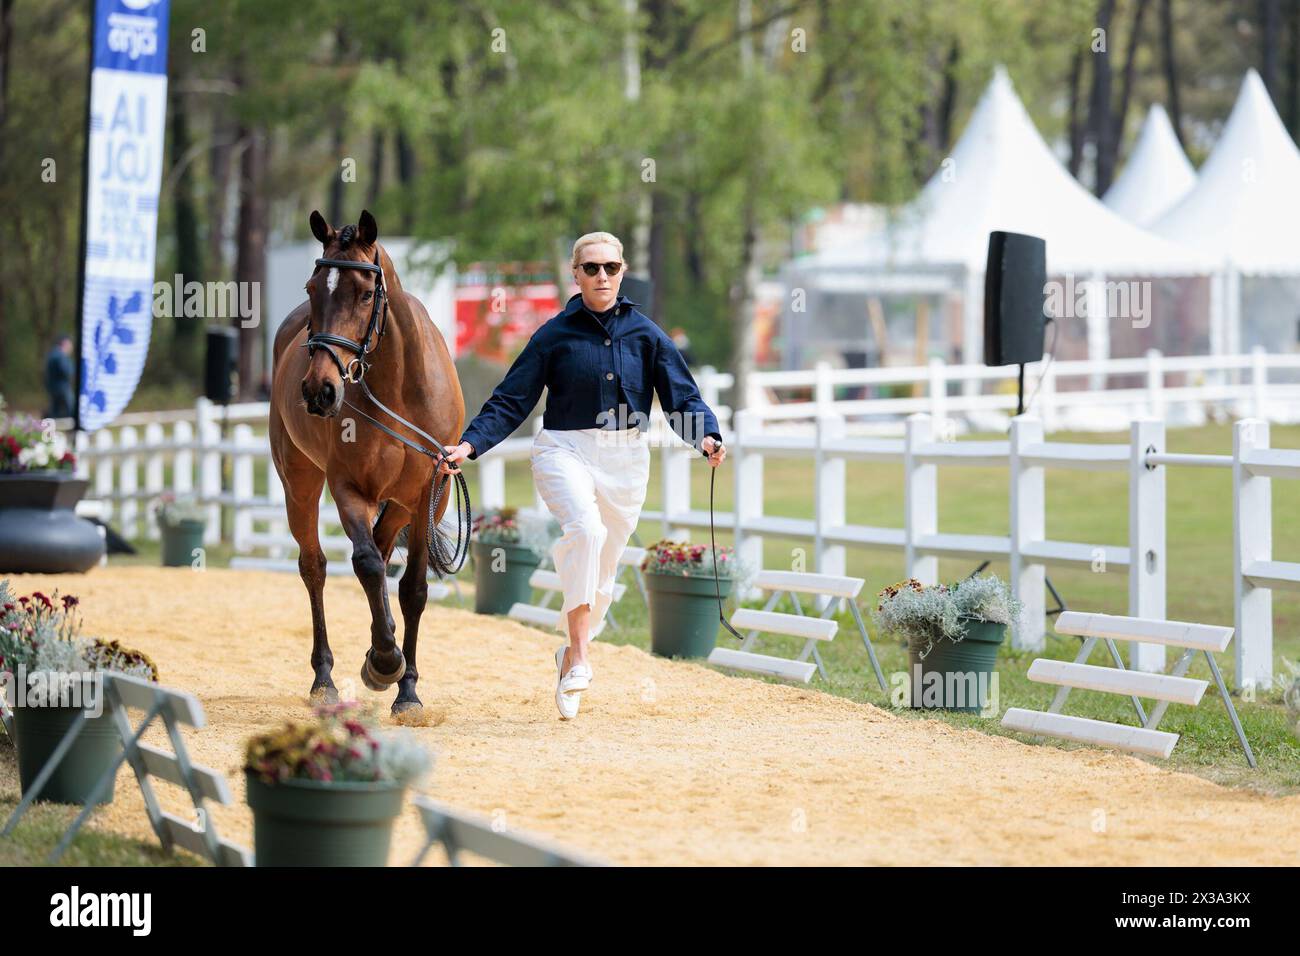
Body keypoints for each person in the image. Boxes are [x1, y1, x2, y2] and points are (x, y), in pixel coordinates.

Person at [440, 232, 726, 719]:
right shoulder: (553, 335)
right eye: (590, 268)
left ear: (622, 271)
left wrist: (706, 436)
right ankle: (582, 661)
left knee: (605, 568)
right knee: (585, 531)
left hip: (627, 460)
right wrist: (470, 444)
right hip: (564, 450)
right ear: (575, 274)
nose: (601, 276)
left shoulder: (648, 334)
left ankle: (569, 652)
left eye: (610, 268)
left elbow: (682, 397)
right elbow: (513, 398)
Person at [44, 333, 74, 420]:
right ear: (65, 343)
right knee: (70, 411)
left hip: (53, 388)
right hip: (62, 388)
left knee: (55, 412)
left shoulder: (52, 353)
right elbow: (66, 371)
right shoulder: (60, 355)